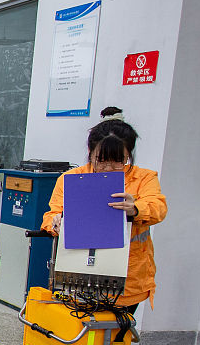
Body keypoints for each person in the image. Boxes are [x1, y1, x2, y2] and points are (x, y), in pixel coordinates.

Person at [41, 108, 167, 313]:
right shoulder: (71, 179)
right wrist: (55, 222)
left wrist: (135, 209)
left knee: (116, 337)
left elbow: (158, 207)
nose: (108, 167)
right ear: (90, 153)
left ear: (129, 155)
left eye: (118, 161)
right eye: (101, 160)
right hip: (79, 275)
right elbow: (51, 215)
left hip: (126, 279)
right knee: (81, 338)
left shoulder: (144, 178)